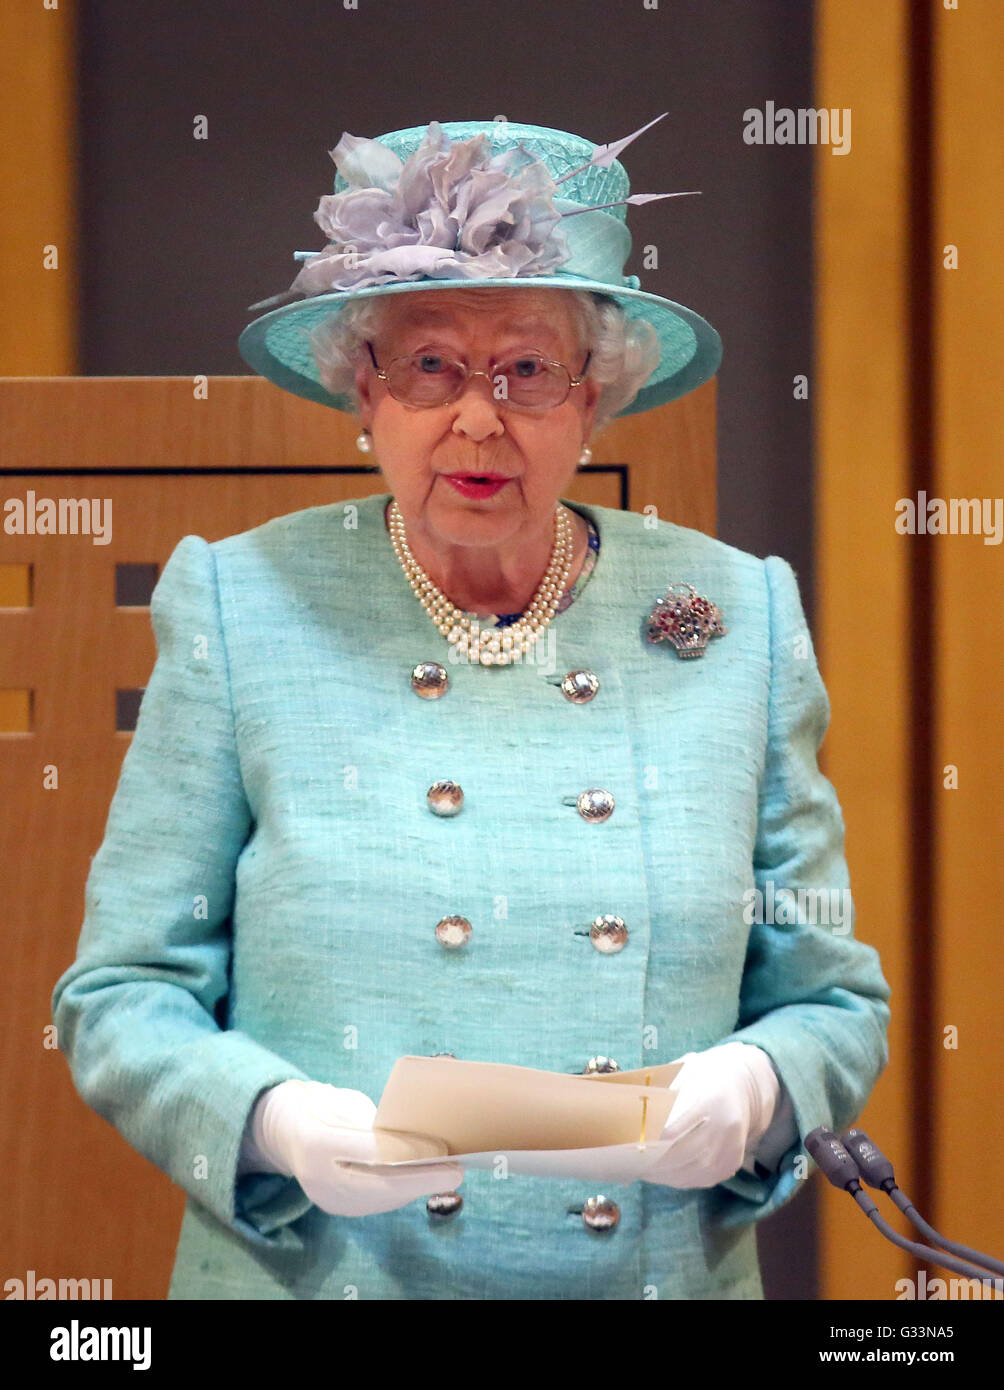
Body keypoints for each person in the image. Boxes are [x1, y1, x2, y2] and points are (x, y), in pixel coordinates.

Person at [52, 117, 891, 1300]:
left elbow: (831, 1000)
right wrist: (268, 1119)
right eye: (430, 366)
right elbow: (119, 996)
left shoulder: (737, 615)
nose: (479, 419)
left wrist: (758, 1089)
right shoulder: (243, 604)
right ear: (363, 388)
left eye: (528, 370)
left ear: (594, 396)